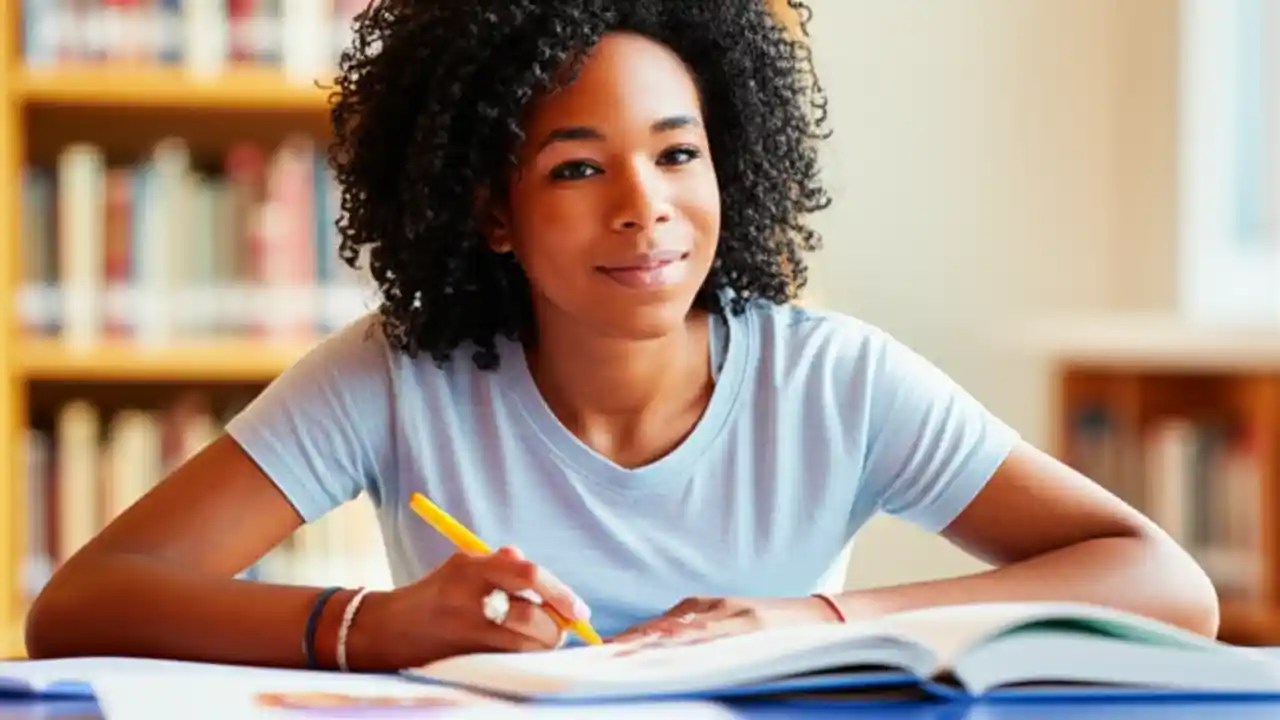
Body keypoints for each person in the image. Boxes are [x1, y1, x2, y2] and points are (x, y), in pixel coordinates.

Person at [25, 0, 1218, 672]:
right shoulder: (398, 375)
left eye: (676, 153)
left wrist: (812, 620)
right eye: (577, 166)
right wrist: (372, 623)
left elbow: (1164, 584)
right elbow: (86, 603)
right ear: (489, 210)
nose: (642, 204)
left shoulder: (835, 381)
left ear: (728, 165)